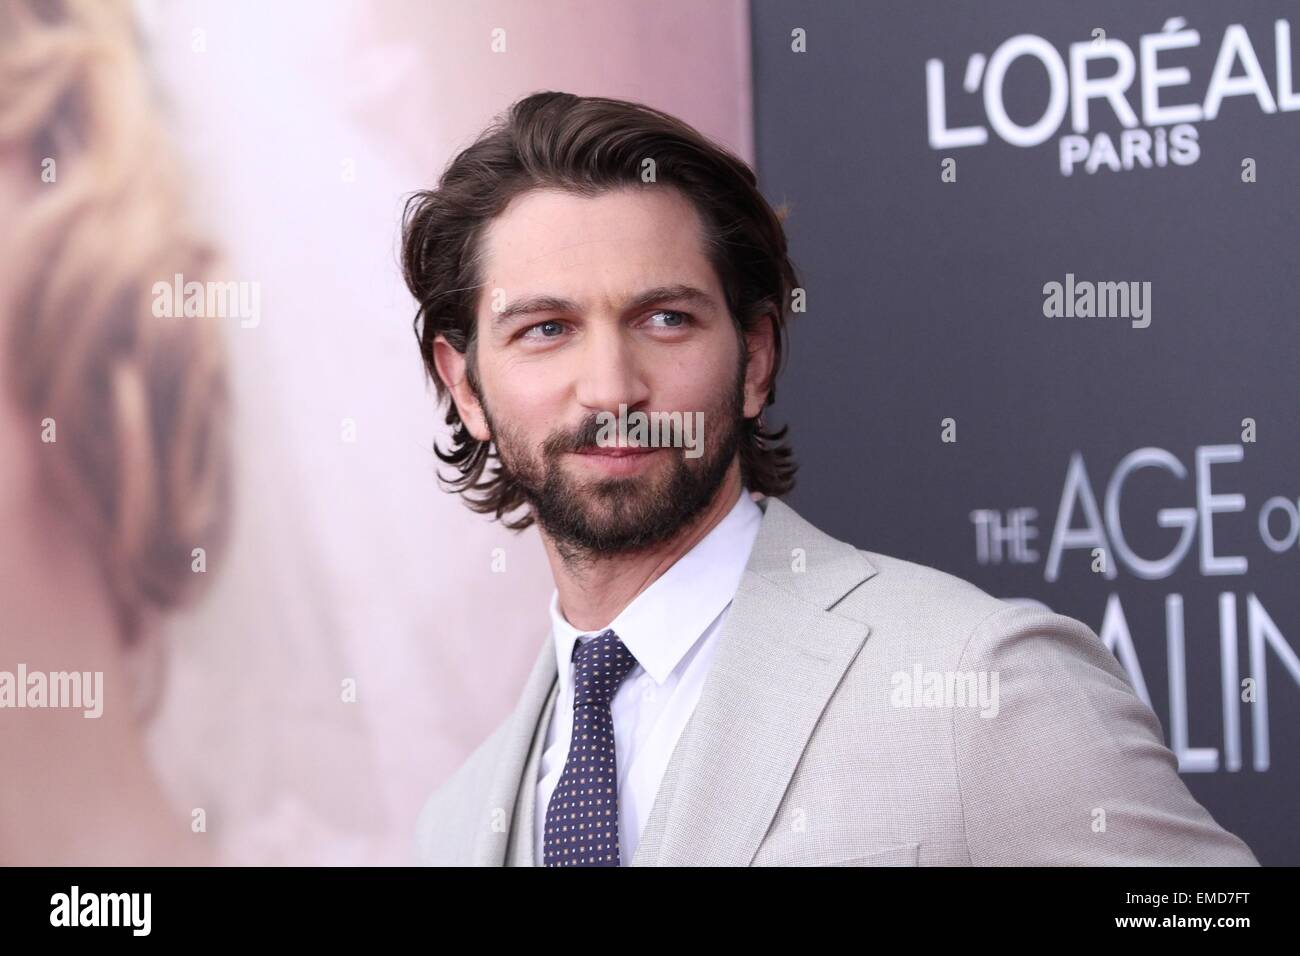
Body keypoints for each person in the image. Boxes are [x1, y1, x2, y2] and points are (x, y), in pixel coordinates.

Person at [401, 91, 1258, 866]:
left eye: (666, 319)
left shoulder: (978, 682)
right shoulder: (456, 820)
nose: (612, 388)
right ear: (466, 385)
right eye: (547, 329)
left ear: (756, 360)